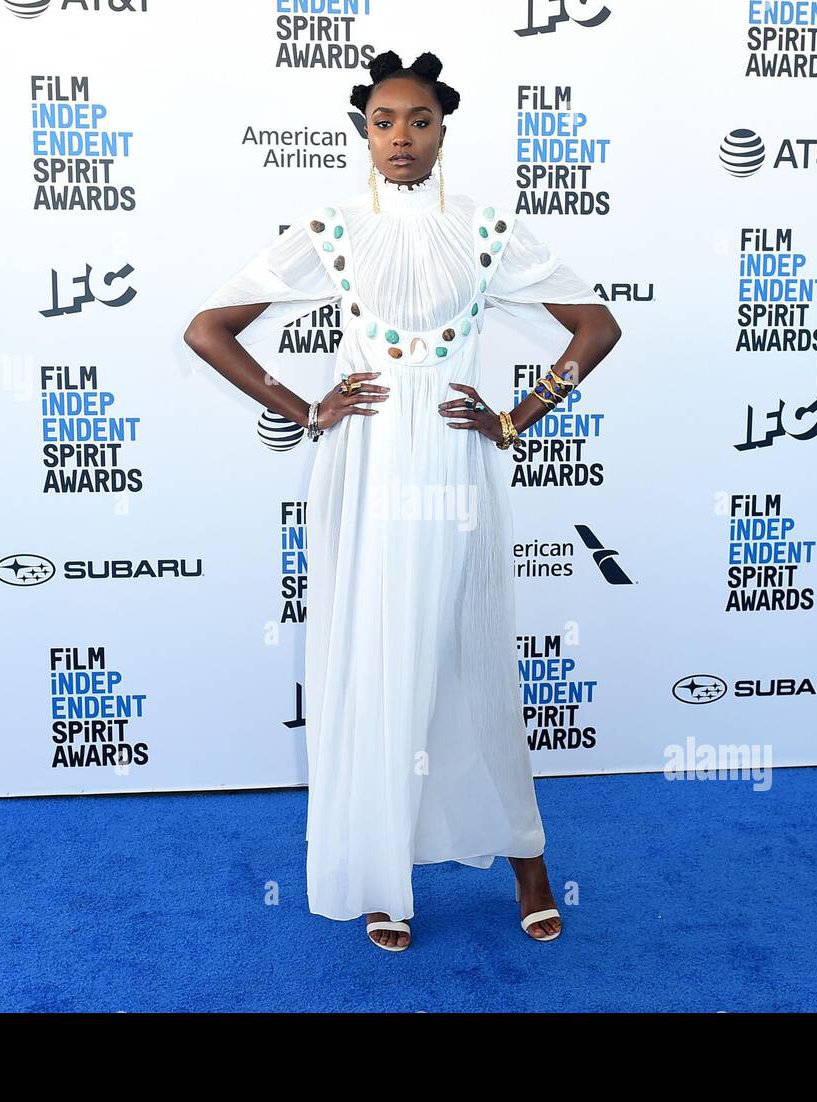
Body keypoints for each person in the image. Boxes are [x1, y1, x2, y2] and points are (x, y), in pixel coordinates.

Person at [183, 49, 622, 952]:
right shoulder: (331, 229)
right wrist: (303, 408)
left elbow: (598, 324)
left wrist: (517, 415)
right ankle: (382, 871)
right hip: (368, 466)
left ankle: (528, 864)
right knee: (376, 660)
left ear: (443, 130)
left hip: (453, 470)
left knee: (467, 656)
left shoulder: (487, 227)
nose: (401, 138)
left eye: (418, 121)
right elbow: (207, 328)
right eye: (383, 122)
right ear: (363, 133)